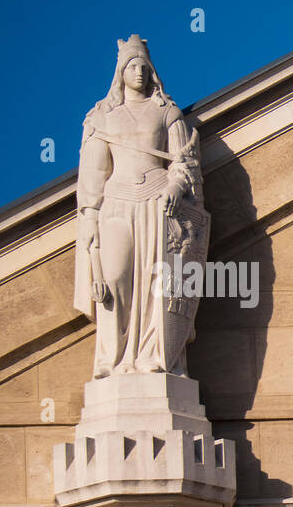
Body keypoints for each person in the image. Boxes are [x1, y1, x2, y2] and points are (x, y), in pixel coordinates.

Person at [75, 35, 206, 378]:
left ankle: (155, 356)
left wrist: (177, 186)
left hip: (158, 204)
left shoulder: (167, 112)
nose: (139, 73)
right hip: (117, 204)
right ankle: (113, 360)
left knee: (157, 287)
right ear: (120, 72)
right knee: (115, 276)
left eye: (144, 67)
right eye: (132, 66)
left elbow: (185, 161)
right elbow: (93, 174)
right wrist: (89, 216)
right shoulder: (101, 118)